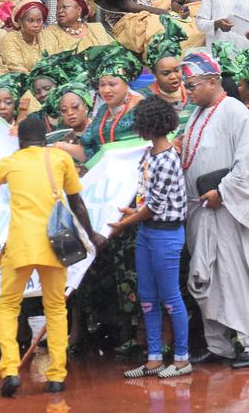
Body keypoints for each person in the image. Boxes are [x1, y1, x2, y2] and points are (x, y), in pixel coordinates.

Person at [0, 115, 107, 398]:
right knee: (55, 308)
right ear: (46, 136)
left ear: (20, 139)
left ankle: (11, 370)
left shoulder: (10, 163)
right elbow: (77, 202)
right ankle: (56, 376)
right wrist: (92, 234)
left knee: (8, 307)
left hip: (20, 247)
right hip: (55, 245)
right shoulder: (60, 160)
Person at [179, 51, 249, 368]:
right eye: (185, 84)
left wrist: (221, 193)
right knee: (207, 278)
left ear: (213, 81)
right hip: (202, 212)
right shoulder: (196, 114)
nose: (188, 90)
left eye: (192, 84)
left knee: (238, 277)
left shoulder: (235, 112)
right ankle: (219, 345)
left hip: (230, 212)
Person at [108, 96, 192, 380]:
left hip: (165, 235)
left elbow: (154, 207)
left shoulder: (166, 159)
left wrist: (124, 223)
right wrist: (132, 213)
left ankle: (182, 358)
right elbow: (149, 202)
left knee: (170, 297)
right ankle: (154, 357)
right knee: (147, 297)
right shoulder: (149, 155)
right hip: (148, 232)